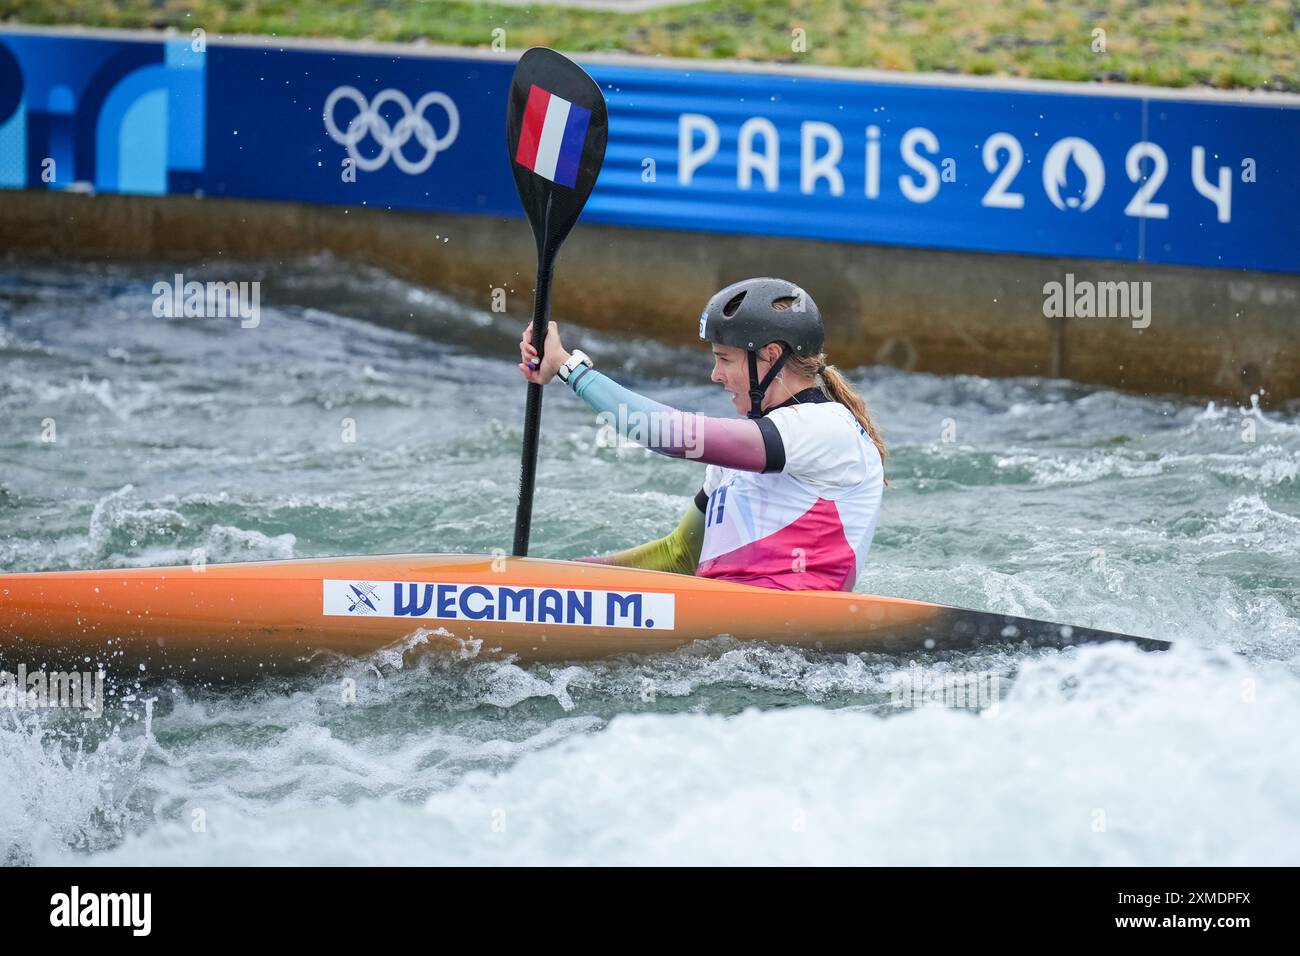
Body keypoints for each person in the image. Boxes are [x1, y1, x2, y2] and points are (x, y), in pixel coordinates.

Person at [517, 277, 886, 591]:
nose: (715, 374)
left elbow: (671, 436)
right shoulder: (741, 457)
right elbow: (678, 555)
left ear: (771, 357)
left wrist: (568, 368)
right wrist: (563, 576)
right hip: (732, 645)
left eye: (725, 359)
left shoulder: (828, 428)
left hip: (798, 651)